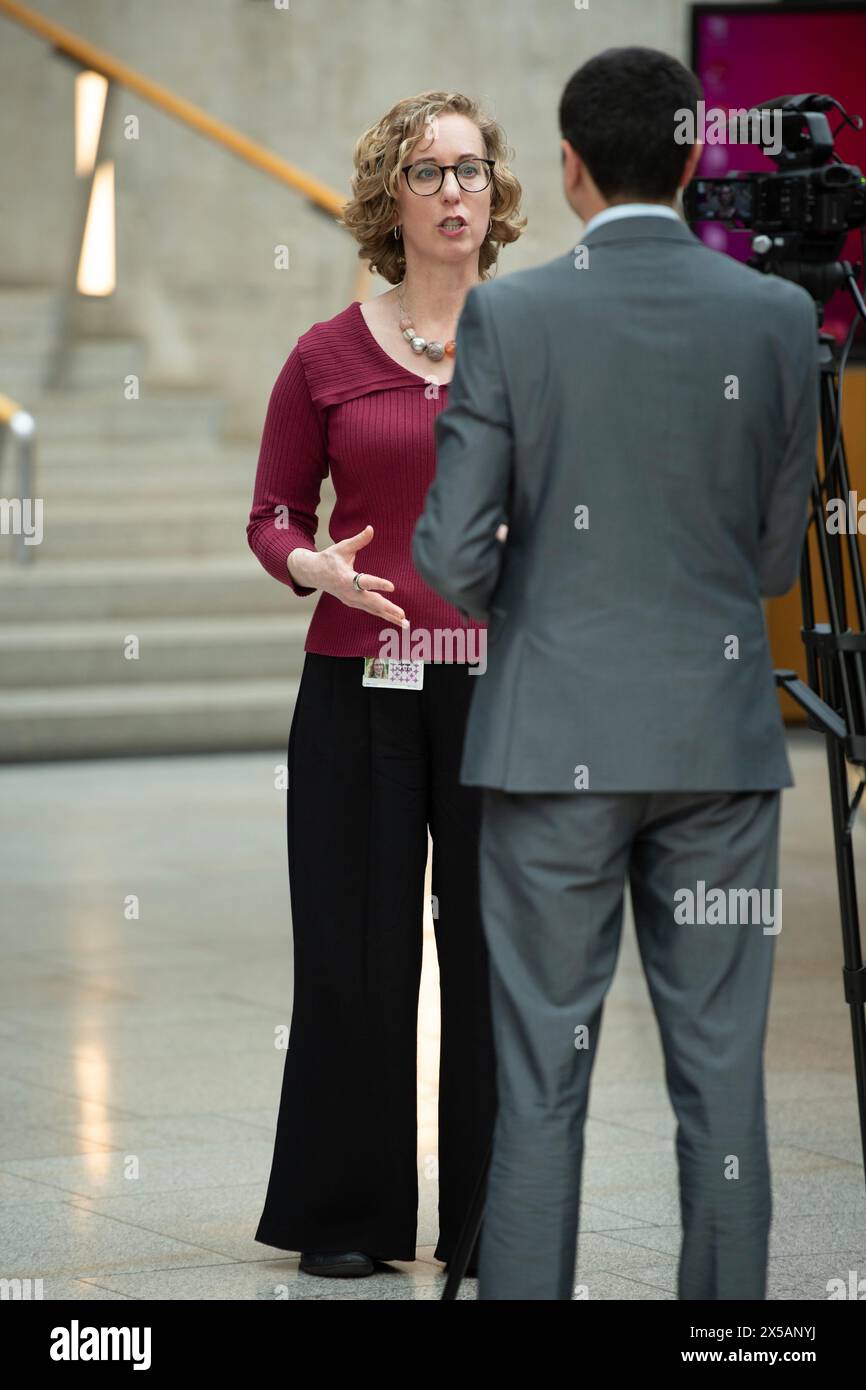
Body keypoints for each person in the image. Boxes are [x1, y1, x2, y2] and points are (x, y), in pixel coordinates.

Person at [412, 46, 818, 1300]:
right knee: (722, 1076)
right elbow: (767, 560)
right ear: (696, 157)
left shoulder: (512, 313)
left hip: (548, 746)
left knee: (539, 1079)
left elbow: (442, 551)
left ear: (572, 169)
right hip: (715, 749)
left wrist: (530, 604)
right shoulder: (779, 316)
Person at [246, 90, 525, 1279]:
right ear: (390, 198)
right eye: (428, 172)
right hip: (357, 687)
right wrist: (312, 565)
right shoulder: (324, 353)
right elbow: (268, 513)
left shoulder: (534, 341)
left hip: (493, 689)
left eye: (471, 169)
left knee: (490, 954)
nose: (455, 191)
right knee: (354, 954)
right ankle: (351, 1218)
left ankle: (489, 1219)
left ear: (495, 192)